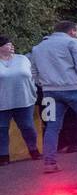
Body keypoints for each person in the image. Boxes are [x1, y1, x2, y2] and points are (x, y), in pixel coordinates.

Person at [29, 21, 77, 173]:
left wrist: (43, 84)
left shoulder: (37, 48)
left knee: (52, 127)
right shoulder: (73, 43)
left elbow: (33, 71)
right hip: (75, 88)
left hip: (50, 92)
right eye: (76, 32)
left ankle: (49, 162)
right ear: (71, 31)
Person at [0, 35, 40, 165]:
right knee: (2, 129)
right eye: (7, 44)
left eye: (11, 43)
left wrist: (35, 89)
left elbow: (32, 74)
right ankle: (3, 156)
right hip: (2, 101)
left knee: (28, 126)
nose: (11, 46)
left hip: (24, 99)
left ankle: (33, 150)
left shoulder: (22, 59)